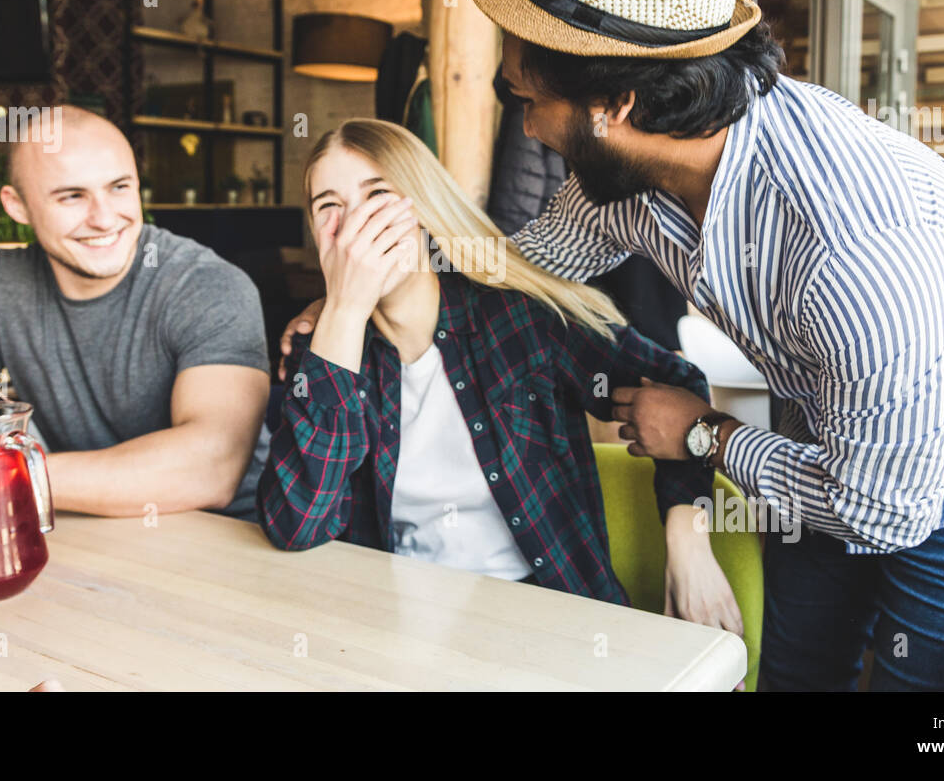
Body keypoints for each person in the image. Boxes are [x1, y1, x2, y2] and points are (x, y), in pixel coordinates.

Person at [286, 0, 944, 691]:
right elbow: (525, 263)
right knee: (790, 669)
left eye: (524, 97)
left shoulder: (858, 249)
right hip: (830, 435)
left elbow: (883, 508)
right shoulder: (634, 175)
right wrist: (356, 290)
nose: (523, 118)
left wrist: (705, 434)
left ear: (618, 106)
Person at [260, 117, 740, 629]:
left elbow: (675, 388)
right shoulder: (323, 345)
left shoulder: (522, 319)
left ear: (419, 207)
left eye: (376, 196)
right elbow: (297, 524)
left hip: (550, 622)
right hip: (397, 628)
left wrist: (688, 543)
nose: (356, 231)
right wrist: (345, 312)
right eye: (328, 207)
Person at [0, 106, 270, 518]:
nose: (105, 217)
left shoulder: (206, 285)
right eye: (72, 196)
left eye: (119, 188)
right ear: (17, 206)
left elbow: (213, 466)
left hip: (228, 542)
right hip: (89, 531)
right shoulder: (2, 284)